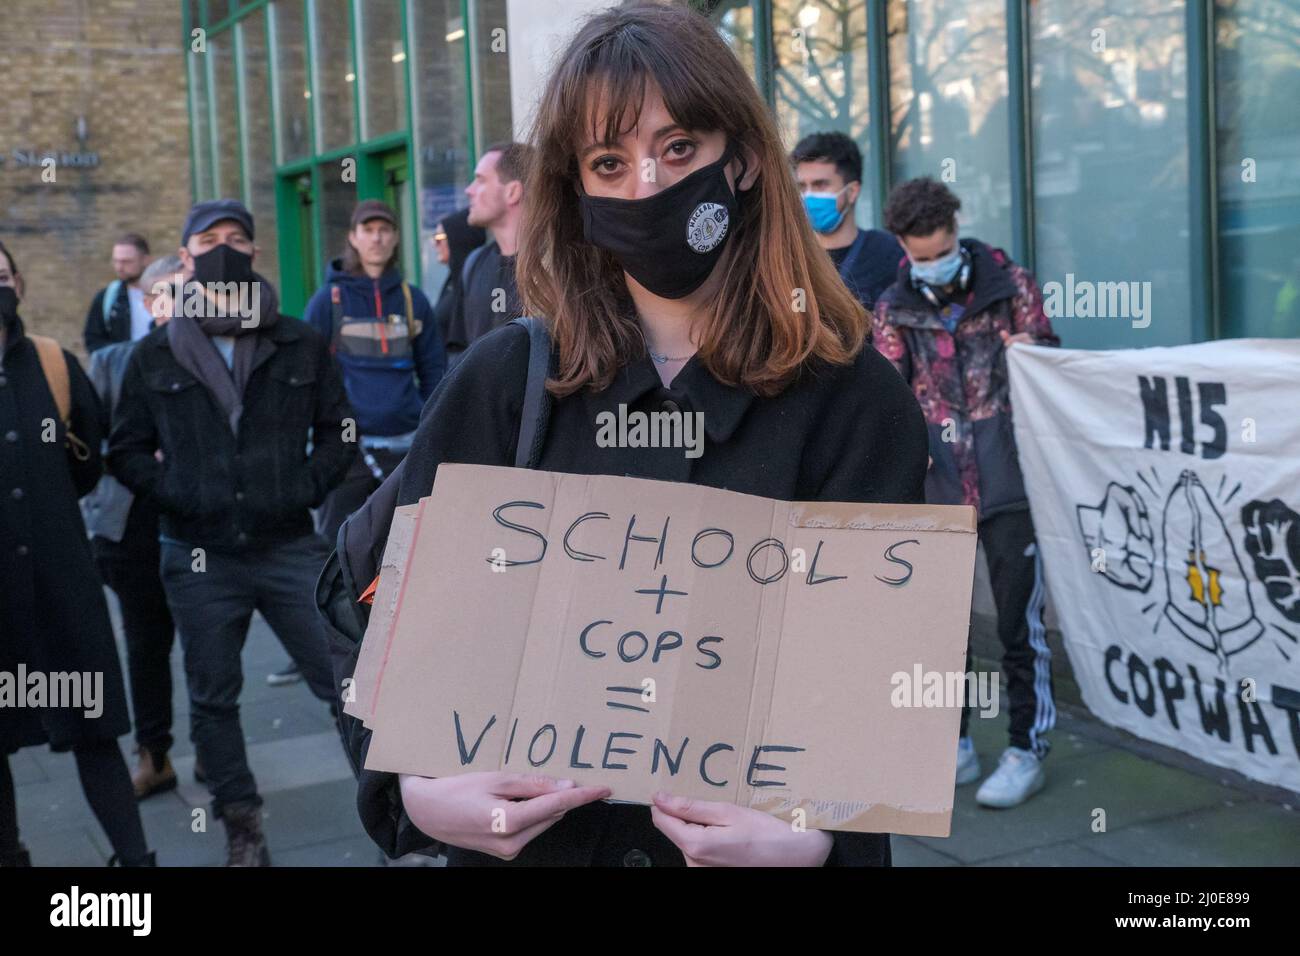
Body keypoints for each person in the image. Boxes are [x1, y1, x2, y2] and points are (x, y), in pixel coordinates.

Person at [334, 2, 928, 867]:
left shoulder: (854, 399)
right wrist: (415, 787)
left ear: (748, 162)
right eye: (609, 162)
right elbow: (392, 624)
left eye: (679, 149)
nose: (647, 186)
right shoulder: (505, 383)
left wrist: (820, 834)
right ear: (576, 195)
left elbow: (876, 678)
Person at [108, 199, 354, 865]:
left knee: (348, 680)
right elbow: (124, 450)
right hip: (197, 553)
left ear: (252, 252)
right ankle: (243, 830)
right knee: (214, 696)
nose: (224, 248)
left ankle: (396, 815)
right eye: (209, 239)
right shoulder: (155, 355)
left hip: (289, 545)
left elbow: (340, 434)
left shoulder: (298, 340)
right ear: (185, 259)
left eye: (237, 238)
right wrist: (181, 495)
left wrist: (301, 488)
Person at [871, 177, 1060, 809]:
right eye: (921, 256)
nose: (935, 264)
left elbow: (1053, 364)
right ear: (903, 246)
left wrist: (1033, 351)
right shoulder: (893, 306)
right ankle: (950, 743)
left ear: (957, 229)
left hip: (1010, 481)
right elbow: (890, 395)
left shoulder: (1011, 286)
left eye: (942, 249)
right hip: (937, 490)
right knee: (937, 630)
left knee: (1018, 625)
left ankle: (1025, 748)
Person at [0, 240, 155, 867]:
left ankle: (134, 869)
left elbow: (86, 464)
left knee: (94, 732)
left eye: (3, 272)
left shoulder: (53, 364)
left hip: (60, 587)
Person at [81, 255, 186, 799]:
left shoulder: (215, 361)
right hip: (131, 523)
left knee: (209, 645)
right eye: (166, 295)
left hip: (200, 523)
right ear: (149, 304)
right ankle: (155, 753)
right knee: (146, 644)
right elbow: (88, 445)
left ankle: (221, 757)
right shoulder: (110, 363)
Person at [305, 199, 446, 543]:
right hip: (348, 452)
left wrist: (427, 423)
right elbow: (309, 373)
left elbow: (434, 372)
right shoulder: (328, 300)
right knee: (338, 545)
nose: (377, 239)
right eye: (368, 230)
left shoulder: (413, 300)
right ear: (353, 238)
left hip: (405, 448)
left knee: (405, 544)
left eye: (384, 230)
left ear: (396, 238)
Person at [791, 132, 902, 310]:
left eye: (820, 185)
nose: (808, 196)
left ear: (852, 192)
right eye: (802, 186)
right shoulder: (789, 261)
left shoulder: (889, 255)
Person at [444, 142, 531, 361]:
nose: (469, 190)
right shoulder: (473, 264)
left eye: (480, 180)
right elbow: (459, 351)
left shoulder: (556, 265)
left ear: (512, 192)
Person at [429, 207, 486, 367]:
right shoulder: (452, 281)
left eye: (440, 237)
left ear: (458, 238)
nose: (435, 243)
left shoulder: (474, 281)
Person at [84, 233, 154, 353]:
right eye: (116, 261)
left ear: (145, 260)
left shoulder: (168, 294)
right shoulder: (108, 297)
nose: (119, 267)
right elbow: (93, 340)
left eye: (127, 262)